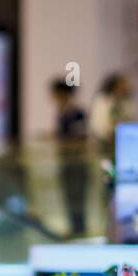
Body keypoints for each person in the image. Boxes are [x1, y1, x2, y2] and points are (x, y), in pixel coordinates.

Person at [49, 76, 88, 235]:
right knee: (68, 196)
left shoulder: (76, 112)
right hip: (66, 162)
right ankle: (74, 228)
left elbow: (79, 137)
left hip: (76, 162)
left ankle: (79, 229)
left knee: (77, 197)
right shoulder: (62, 112)